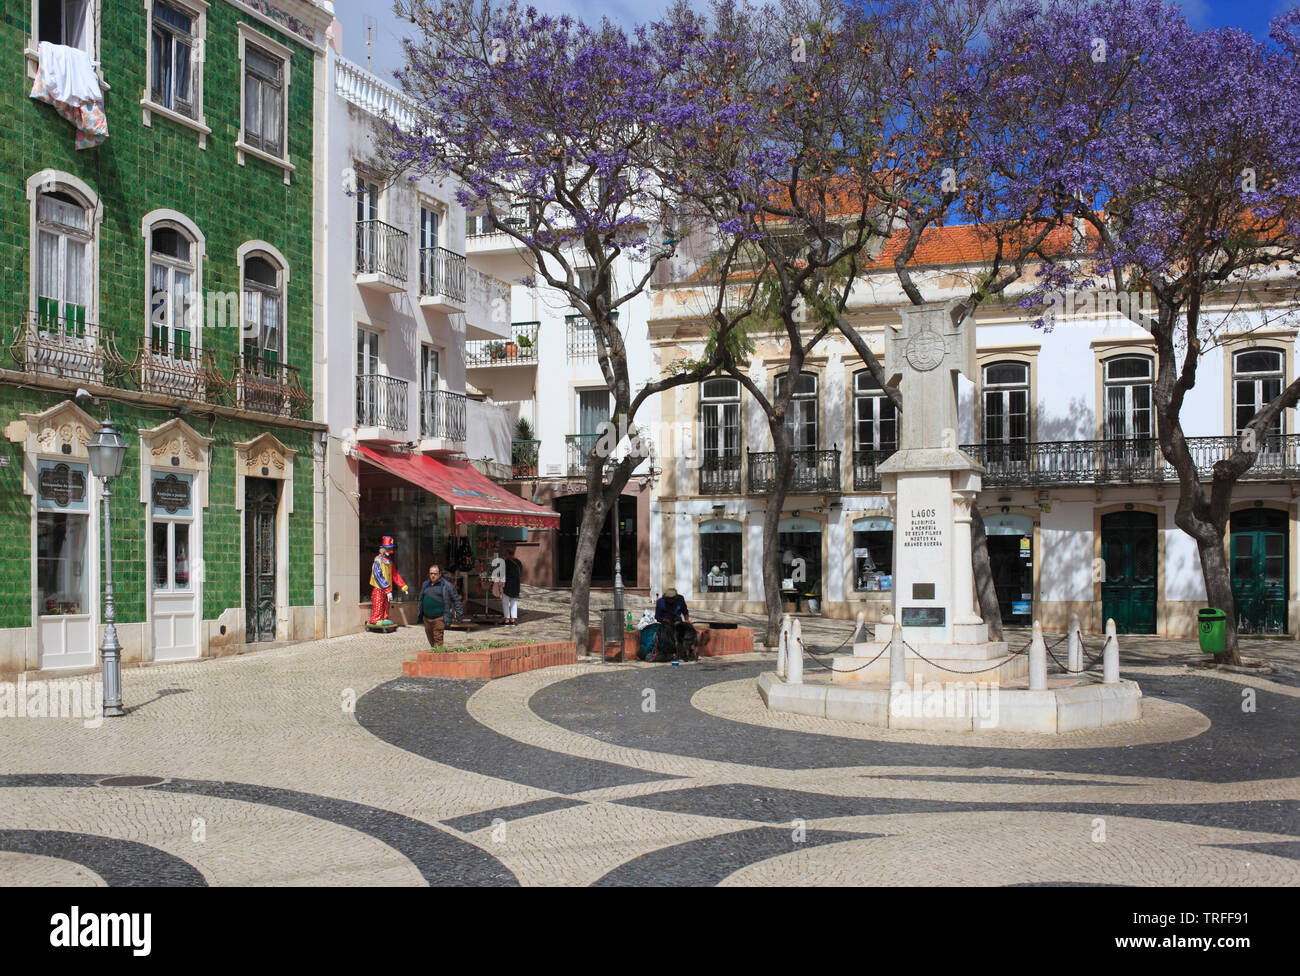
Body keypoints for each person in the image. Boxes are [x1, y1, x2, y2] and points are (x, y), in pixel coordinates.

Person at [416, 564, 464, 647]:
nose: (433, 576)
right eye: (431, 574)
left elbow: (456, 600)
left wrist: (459, 615)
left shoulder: (447, 585)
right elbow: (421, 599)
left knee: (438, 641)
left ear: (440, 574)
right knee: (431, 641)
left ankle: (437, 657)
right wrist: (420, 613)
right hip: (427, 618)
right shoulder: (425, 584)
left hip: (439, 618)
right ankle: (436, 655)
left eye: (435, 574)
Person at [368, 536, 407, 627]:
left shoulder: (389, 561)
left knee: (386, 604)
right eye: (388, 549)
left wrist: (403, 586)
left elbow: (395, 575)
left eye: (390, 549)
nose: (390, 551)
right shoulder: (378, 560)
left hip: (387, 588)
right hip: (379, 588)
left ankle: (384, 618)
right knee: (378, 603)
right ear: (383, 549)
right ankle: (376, 619)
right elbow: (378, 575)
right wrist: (387, 588)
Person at [655, 587, 697, 660]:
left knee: (689, 630)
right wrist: (666, 620)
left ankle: (690, 652)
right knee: (668, 632)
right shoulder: (660, 602)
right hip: (666, 622)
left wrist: (687, 620)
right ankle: (671, 653)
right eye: (669, 599)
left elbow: (685, 611)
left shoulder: (680, 599)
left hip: (678, 621)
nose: (671, 600)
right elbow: (657, 616)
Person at [501, 545, 523, 625]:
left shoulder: (506, 562)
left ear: (508, 554)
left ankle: (506, 619)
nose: (505, 555)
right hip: (516, 584)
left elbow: (503, 574)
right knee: (514, 602)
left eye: (505, 554)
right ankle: (513, 619)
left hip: (507, 584)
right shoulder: (518, 562)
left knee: (505, 602)